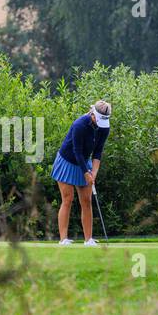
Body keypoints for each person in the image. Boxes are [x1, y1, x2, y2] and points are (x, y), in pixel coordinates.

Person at [51, 100, 111, 246]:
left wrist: (94, 173)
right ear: (93, 114)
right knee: (68, 199)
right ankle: (63, 239)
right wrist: (86, 173)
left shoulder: (104, 127)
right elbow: (76, 151)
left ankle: (88, 239)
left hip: (84, 161)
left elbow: (98, 152)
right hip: (67, 161)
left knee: (86, 200)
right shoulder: (79, 125)